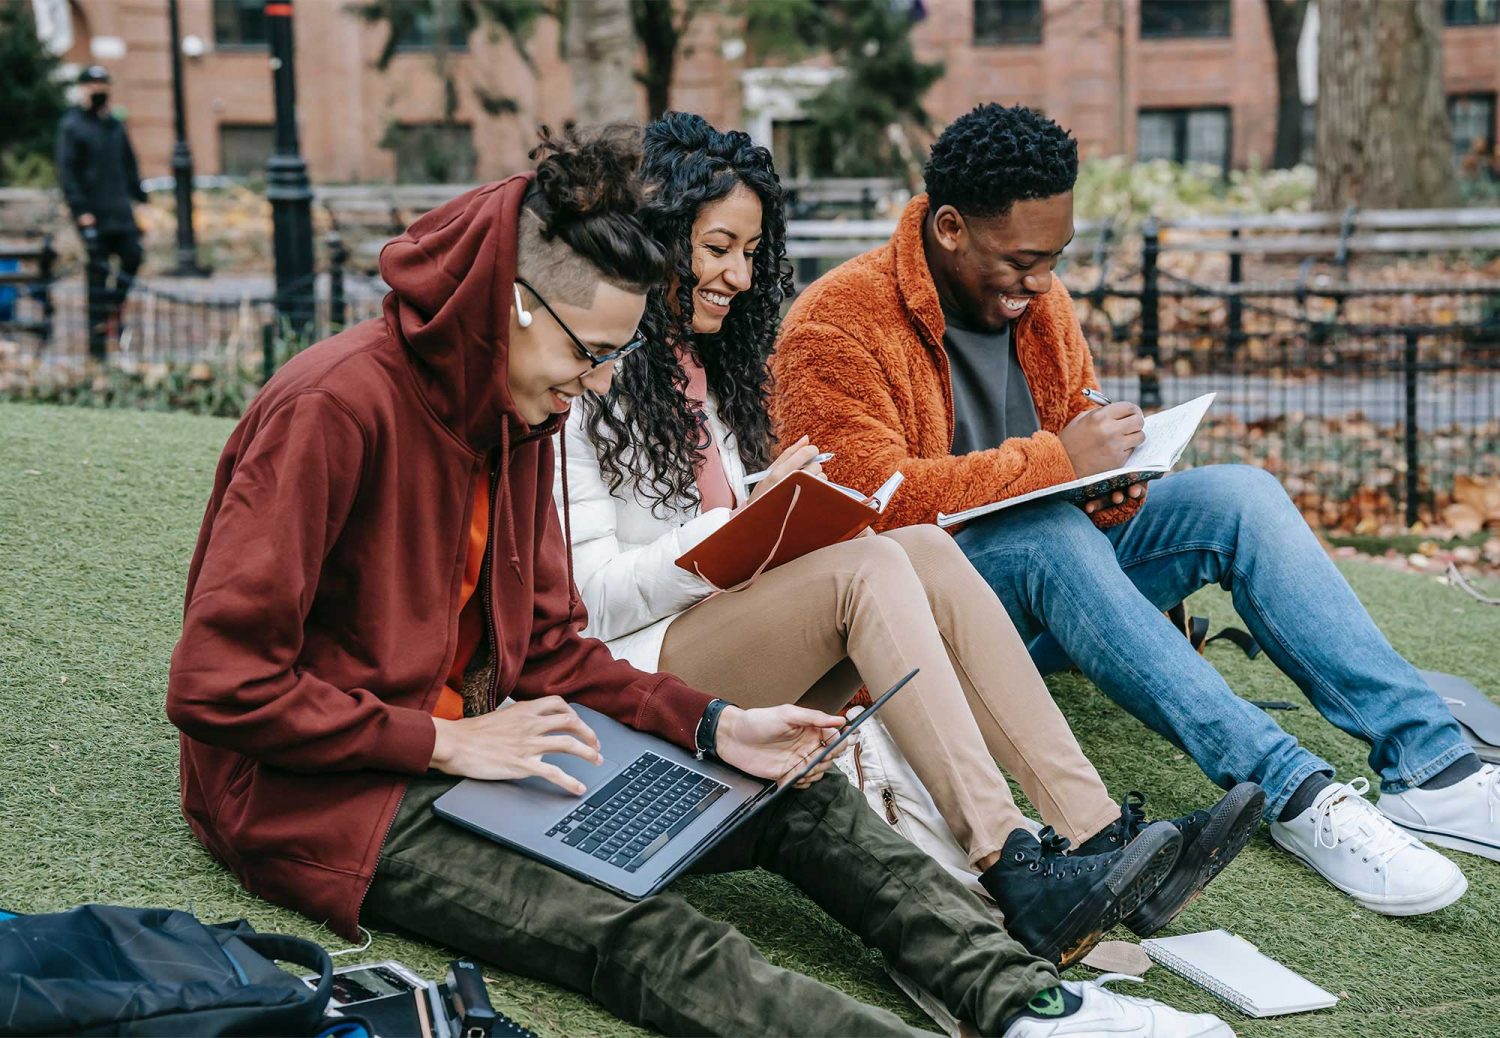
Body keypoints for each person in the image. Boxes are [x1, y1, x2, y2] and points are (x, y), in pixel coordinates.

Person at [165, 125, 1231, 1038]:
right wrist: (447, 740)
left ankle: (1033, 1007)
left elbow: (550, 650)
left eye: (610, 366)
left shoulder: (521, 407)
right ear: (518, 305)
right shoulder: (330, 410)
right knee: (632, 930)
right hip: (344, 798)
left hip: (508, 740)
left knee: (794, 795)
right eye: (586, 357)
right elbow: (218, 684)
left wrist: (716, 725)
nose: (589, 390)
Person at [557, 112, 1261, 967]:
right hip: (638, 673)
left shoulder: (717, 367)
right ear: (657, 236)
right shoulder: (579, 373)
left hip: (726, 628)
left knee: (920, 548)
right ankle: (1010, 862)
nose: (737, 276)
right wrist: (743, 525)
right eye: (715, 249)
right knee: (867, 567)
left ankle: (1092, 835)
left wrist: (774, 512)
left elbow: (732, 526)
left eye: (750, 253)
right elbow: (589, 602)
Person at [772, 102, 1500, 918]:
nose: (1040, 283)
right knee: (1044, 533)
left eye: (1055, 258)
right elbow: (859, 511)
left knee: (1240, 495)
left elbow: (1076, 433)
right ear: (948, 227)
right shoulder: (835, 322)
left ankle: (1433, 769)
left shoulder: (1042, 302)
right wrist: (1055, 465)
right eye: (1021, 261)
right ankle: (1299, 796)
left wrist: (1111, 486)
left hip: (1062, 582)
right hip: (937, 621)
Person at [55, 65, 146, 359]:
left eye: (102, 83)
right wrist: (80, 210)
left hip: (120, 210)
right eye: (92, 84)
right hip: (92, 213)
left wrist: (141, 200)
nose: (98, 89)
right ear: (83, 88)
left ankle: (111, 310)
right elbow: (67, 173)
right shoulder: (72, 125)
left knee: (133, 256)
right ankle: (97, 347)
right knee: (97, 273)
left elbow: (129, 166)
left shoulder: (115, 125)